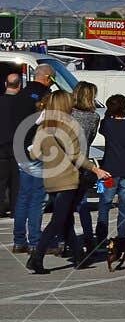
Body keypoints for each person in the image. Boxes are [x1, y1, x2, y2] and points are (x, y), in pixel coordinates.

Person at [26, 92, 111, 273]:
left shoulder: (43, 127)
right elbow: (75, 155)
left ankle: (79, 257)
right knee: (58, 221)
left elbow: (34, 154)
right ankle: (36, 258)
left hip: (50, 177)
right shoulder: (68, 126)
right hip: (67, 179)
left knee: (65, 220)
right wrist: (95, 169)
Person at [98, 94, 125, 240]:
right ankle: (121, 236)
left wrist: (109, 113)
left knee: (105, 203)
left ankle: (101, 237)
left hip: (108, 171)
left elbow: (102, 126)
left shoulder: (106, 125)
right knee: (124, 205)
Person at [8, 89, 45, 254]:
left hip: (23, 155)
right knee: (36, 199)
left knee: (23, 197)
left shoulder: (27, 117)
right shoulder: (44, 118)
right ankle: (34, 241)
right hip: (37, 157)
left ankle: (19, 240)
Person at [68, 81, 101, 247]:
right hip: (84, 163)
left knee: (65, 205)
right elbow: (91, 138)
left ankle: (67, 239)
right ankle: (89, 237)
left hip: (66, 164)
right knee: (82, 204)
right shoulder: (94, 117)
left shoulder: (68, 114)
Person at [0, 71, 30, 221]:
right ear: (19, 85)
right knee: (16, 181)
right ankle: (15, 208)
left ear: (5, 84)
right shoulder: (23, 104)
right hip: (18, 145)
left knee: (1, 179)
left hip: (1, 145)